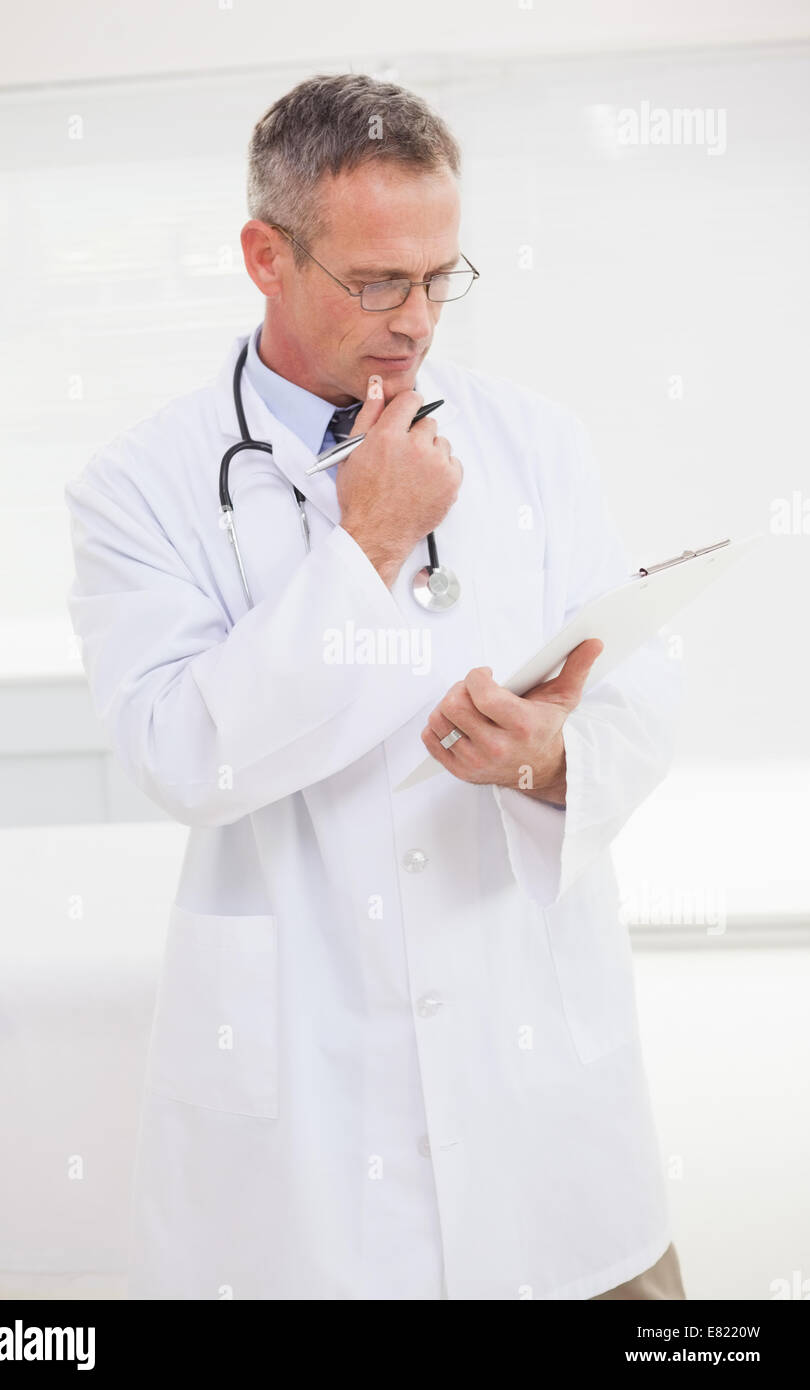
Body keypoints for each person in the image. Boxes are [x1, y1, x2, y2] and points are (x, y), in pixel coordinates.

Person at [65, 72, 686, 1301]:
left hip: (541, 1116)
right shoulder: (138, 488)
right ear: (264, 255)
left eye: (440, 276)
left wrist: (549, 757)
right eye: (376, 281)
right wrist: (365, 547)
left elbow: (638, 690)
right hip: (306, 1143)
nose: (416, 319)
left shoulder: (535, 442)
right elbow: (182, 756)